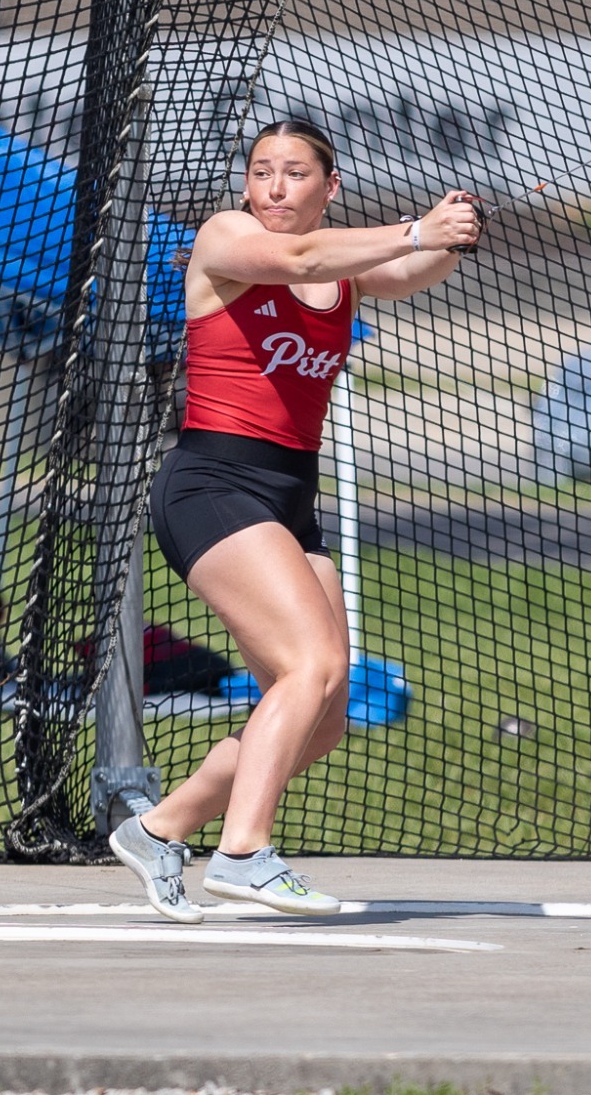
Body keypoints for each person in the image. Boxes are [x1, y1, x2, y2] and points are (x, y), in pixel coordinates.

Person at [109, 118, 482, 923]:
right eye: (261, 171)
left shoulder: (343, 271)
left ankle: (160, 826)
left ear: (329, 186)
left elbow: (405, 270)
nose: (275, 186)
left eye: (295, 173)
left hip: (288, 499)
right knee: (308, 663)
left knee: (324, 712)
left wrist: (453, 232)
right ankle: (243, 853)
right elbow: (302, 258)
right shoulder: (228, 237)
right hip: (212, 485)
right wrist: (418, 227)